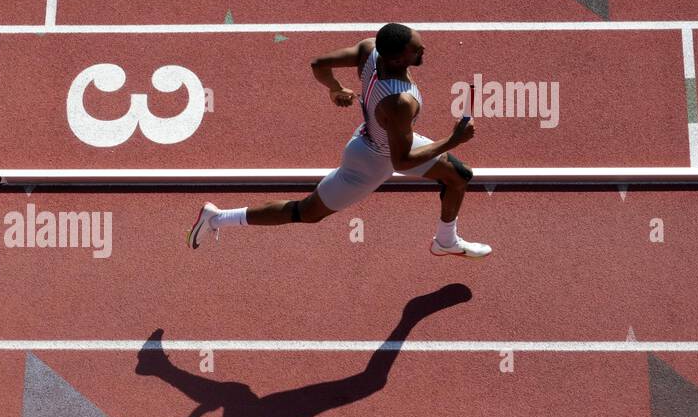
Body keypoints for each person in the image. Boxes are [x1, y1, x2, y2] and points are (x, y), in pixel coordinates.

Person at [189, 23, 491, 258]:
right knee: (305, 212)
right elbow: (401, 162)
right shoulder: (399, 102)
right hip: (372, 161)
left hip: (388, 139)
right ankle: (218, 218)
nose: (423, 49)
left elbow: (318, 64)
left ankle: (445, 241)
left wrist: (334, 88)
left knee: (459, 176)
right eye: (416, 49)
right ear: (398, 58)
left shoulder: (369, 50)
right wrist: (453, 139)